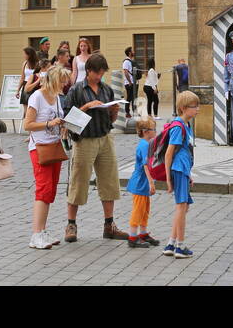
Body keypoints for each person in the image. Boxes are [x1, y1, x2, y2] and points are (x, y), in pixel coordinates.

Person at [63, 52, 129, 244]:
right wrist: (86, 107)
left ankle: (109, 225)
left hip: (105, 137)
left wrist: (114, 112)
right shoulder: (76, 90)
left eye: (102, 73)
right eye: (97, 73)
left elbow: (111, 119)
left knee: (109, 181)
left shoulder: (107, 89)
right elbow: (67, 120)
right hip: (84, 140)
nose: (100, 76)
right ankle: (71, 224)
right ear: (89, 71)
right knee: (78, 182)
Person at [23, 64, 69, 249]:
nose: (64, 85)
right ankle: (36, 234)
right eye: (62, 81)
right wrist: (50, 123)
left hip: (54, 146)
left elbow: (58, 120)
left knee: (50, 190)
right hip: (39, 147)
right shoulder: (37, 97)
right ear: (54, 80)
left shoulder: (57, 98)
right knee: (43, 189)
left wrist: (63, 125)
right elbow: (28, 124)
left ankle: (42, 230)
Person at [162, 90, 200, 259]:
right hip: (178, 169)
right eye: (195, 106)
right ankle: (180, 246)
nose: (198, 109)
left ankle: (171, 243)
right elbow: (169, 153)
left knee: (184, 207)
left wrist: (188, 173)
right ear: (184, 108)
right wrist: (168, 178)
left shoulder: (186, 125)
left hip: (182, 169)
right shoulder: (178, 127)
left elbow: (185, 151)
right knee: (181, 206)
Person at [125, 114, 160, 248]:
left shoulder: (147, 144)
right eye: (153, 129)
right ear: (146, 132)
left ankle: (143, 233)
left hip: (144, 182)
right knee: (138, 209)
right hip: (141, 183)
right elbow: (146, 166)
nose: (156, 132)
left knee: (145, 209)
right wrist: (151, 182)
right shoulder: (145, 145)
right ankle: (133, 237)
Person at [121, 47, 137, 117]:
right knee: (129, 98)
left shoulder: (131, 61)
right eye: (132, 51)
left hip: (133, 82)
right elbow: (125, 72)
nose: (134, 52)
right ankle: (127, 112)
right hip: (129, 83)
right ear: (130, 53)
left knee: (134, 97)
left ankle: (134, 111)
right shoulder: (126, 61)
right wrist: (130, 81)